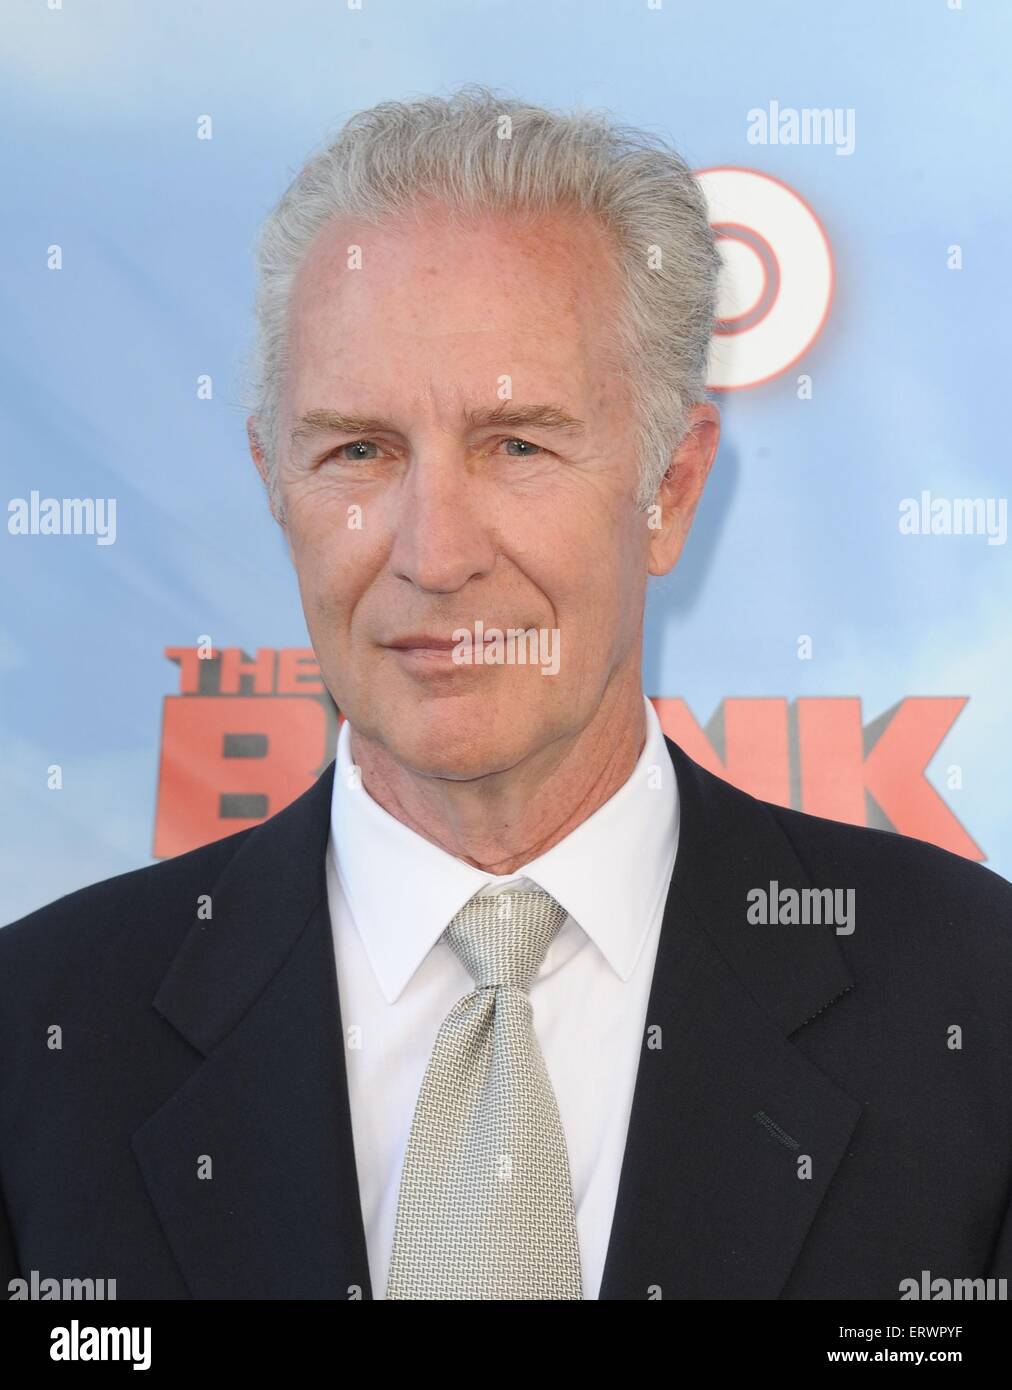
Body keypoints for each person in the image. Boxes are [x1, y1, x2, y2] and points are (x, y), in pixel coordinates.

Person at [2, 86, 1010, 1301]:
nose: (435, 552)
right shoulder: (37, 1041)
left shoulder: (976, 1006)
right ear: (276, 484)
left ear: (670, 491)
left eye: (516, 444)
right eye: (359, 450)